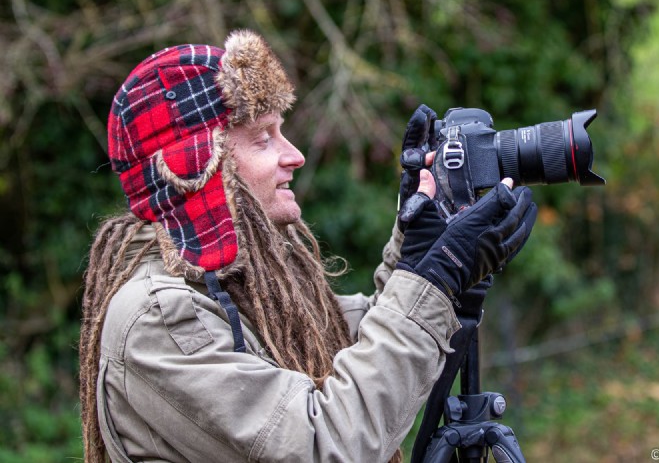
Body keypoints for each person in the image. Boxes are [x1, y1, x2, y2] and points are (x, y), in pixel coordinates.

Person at [78, 29, 537, 463]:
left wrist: (419, 243)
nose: (293, 155)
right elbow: (329, 444)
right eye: (263, 138)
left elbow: (356, 353)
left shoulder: (241, 287)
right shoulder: (160, 318)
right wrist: (433, 279)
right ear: (198, 165)